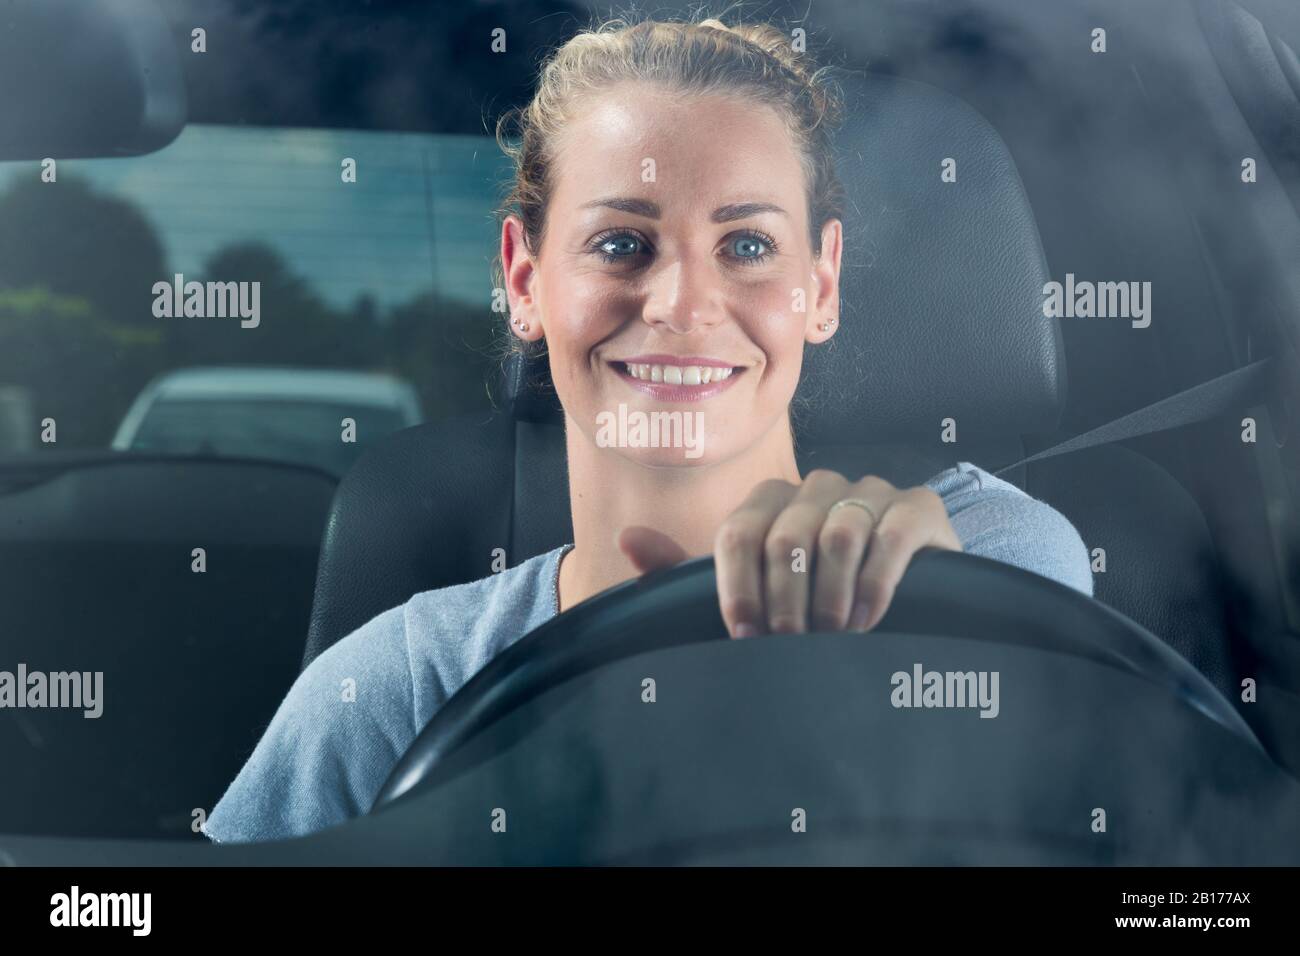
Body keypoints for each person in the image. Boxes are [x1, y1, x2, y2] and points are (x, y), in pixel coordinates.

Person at [201, 14, 1091, 844]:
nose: (683, 305)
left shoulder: (984, 565)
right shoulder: (394, 688)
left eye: (747, 246)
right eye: (621, 243)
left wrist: (924, 633)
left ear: (820, 287)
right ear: (522, 280)